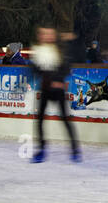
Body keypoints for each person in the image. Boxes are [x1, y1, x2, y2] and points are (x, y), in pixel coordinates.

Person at [30, 26, 80, 163]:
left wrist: (58, 81)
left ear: (53, 35)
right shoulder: (39, 50)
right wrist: (36, 67)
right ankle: (41, 150)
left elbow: (67, 67)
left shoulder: (60, 50)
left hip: (57, 90)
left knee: (65, 119)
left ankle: (75, 150)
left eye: (49, 34)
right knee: (39, 120)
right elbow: (35, 70)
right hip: (45, 89)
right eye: (43, 34)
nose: (46, 36)